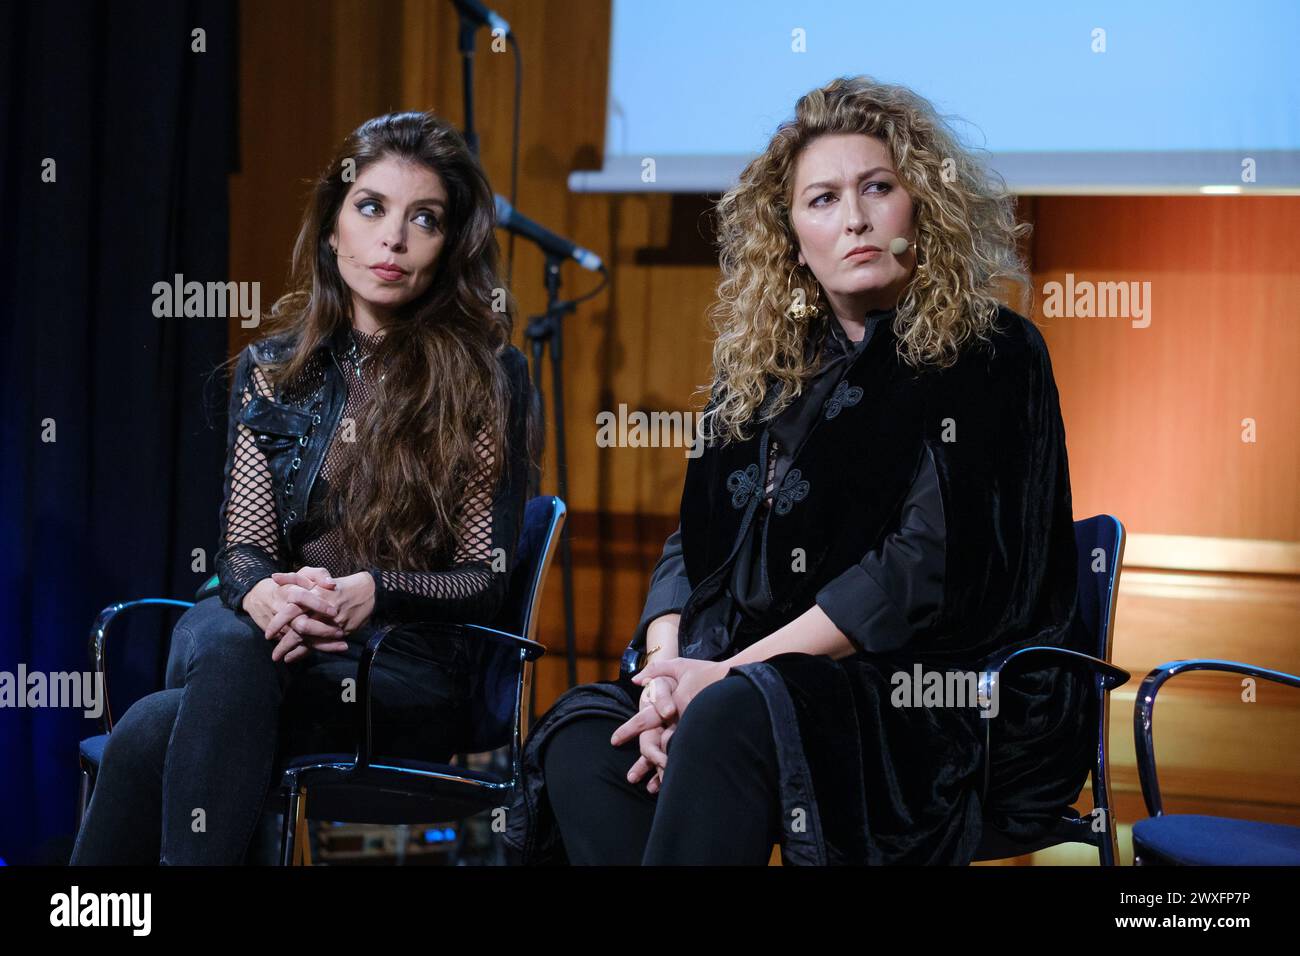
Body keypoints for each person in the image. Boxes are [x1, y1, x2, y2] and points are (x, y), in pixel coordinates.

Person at [506, 76, 1092, 865]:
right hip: (759, 674)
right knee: (587, 737)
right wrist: (665, 668)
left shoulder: (989, 353)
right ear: (789, 233)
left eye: (877, 188)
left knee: (735, 717)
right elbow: (694, 544)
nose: (854, 218)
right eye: (822, 199)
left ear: (920, 204)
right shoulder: (764, 365)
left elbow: (919, 571)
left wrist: (720, 679)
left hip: (939, 695)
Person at [71, 111, 538, 865]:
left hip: (392, 668)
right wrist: (264, 594)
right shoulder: (274, 368)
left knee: (152, 728)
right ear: (332, 228)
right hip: (258, 639)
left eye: (425, 218)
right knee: (233, 636)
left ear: (449, 246)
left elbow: (484, 578)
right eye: (371, 207)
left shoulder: (486, 378)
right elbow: (243, 548)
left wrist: (370, 591)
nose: (393, 238)